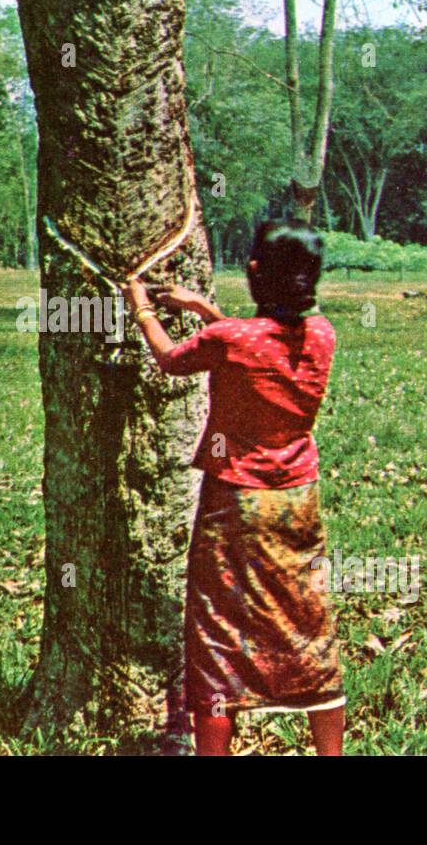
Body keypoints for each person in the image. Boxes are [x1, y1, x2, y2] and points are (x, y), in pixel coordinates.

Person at [121, 218, 344, 756]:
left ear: (253, 273)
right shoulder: (323, 334)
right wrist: (201, 310)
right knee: (308, 622)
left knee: (217, 631)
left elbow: (174, 360)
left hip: (235, 505)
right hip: (298, 503)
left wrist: (142, 306)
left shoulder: (231, 339)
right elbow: (253, 351)